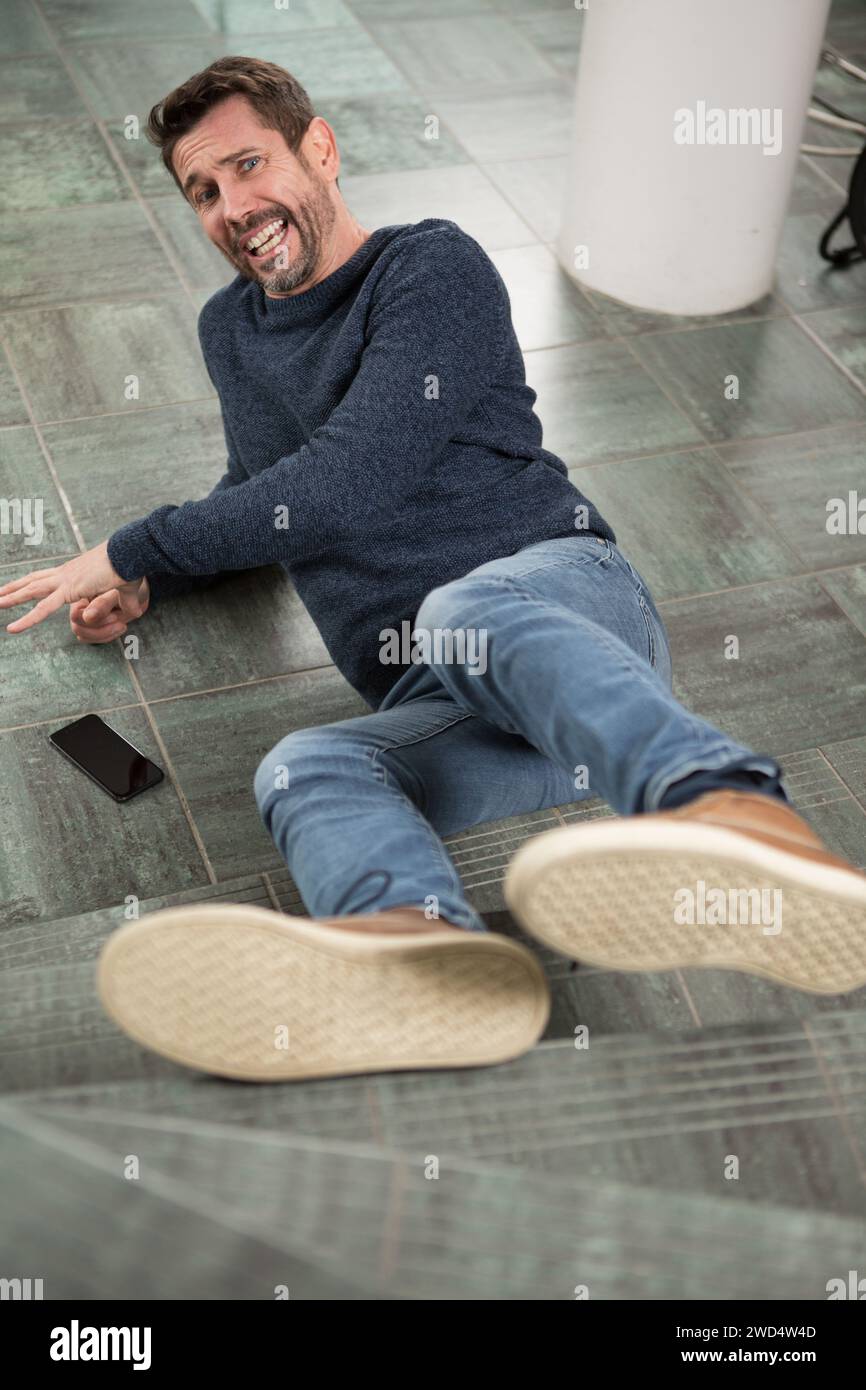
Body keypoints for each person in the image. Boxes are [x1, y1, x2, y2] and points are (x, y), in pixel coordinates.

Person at [4, 58, 865, 1084]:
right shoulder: (230, 330)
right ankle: (416, 962)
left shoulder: (431, 270)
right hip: (449, 696)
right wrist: (158, 582)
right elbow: (266, 484)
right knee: (302, 765)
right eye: (204, 190)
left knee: (469, 609)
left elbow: (346, 479)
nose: (234, 208)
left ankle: (732, 814)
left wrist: (131, 542)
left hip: (560, 606)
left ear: (318, 149)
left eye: (248, 164)